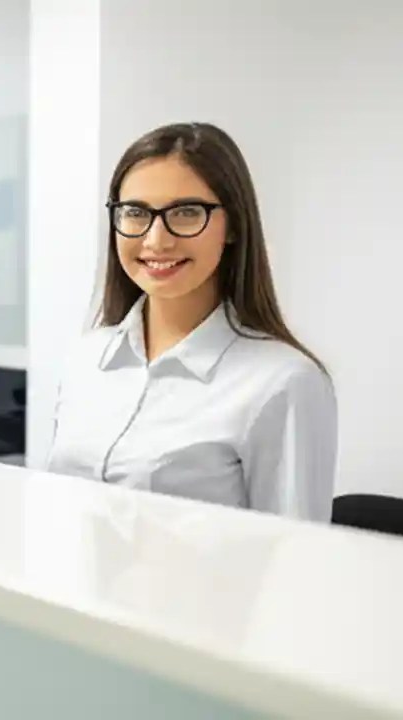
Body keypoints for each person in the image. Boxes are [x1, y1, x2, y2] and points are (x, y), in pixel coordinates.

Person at [46, 122, 337, 521]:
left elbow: (295, 557)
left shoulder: (283, 381)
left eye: (186, 212)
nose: (156, 240)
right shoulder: (85, 359)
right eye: (135, 213)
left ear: (233, 224)